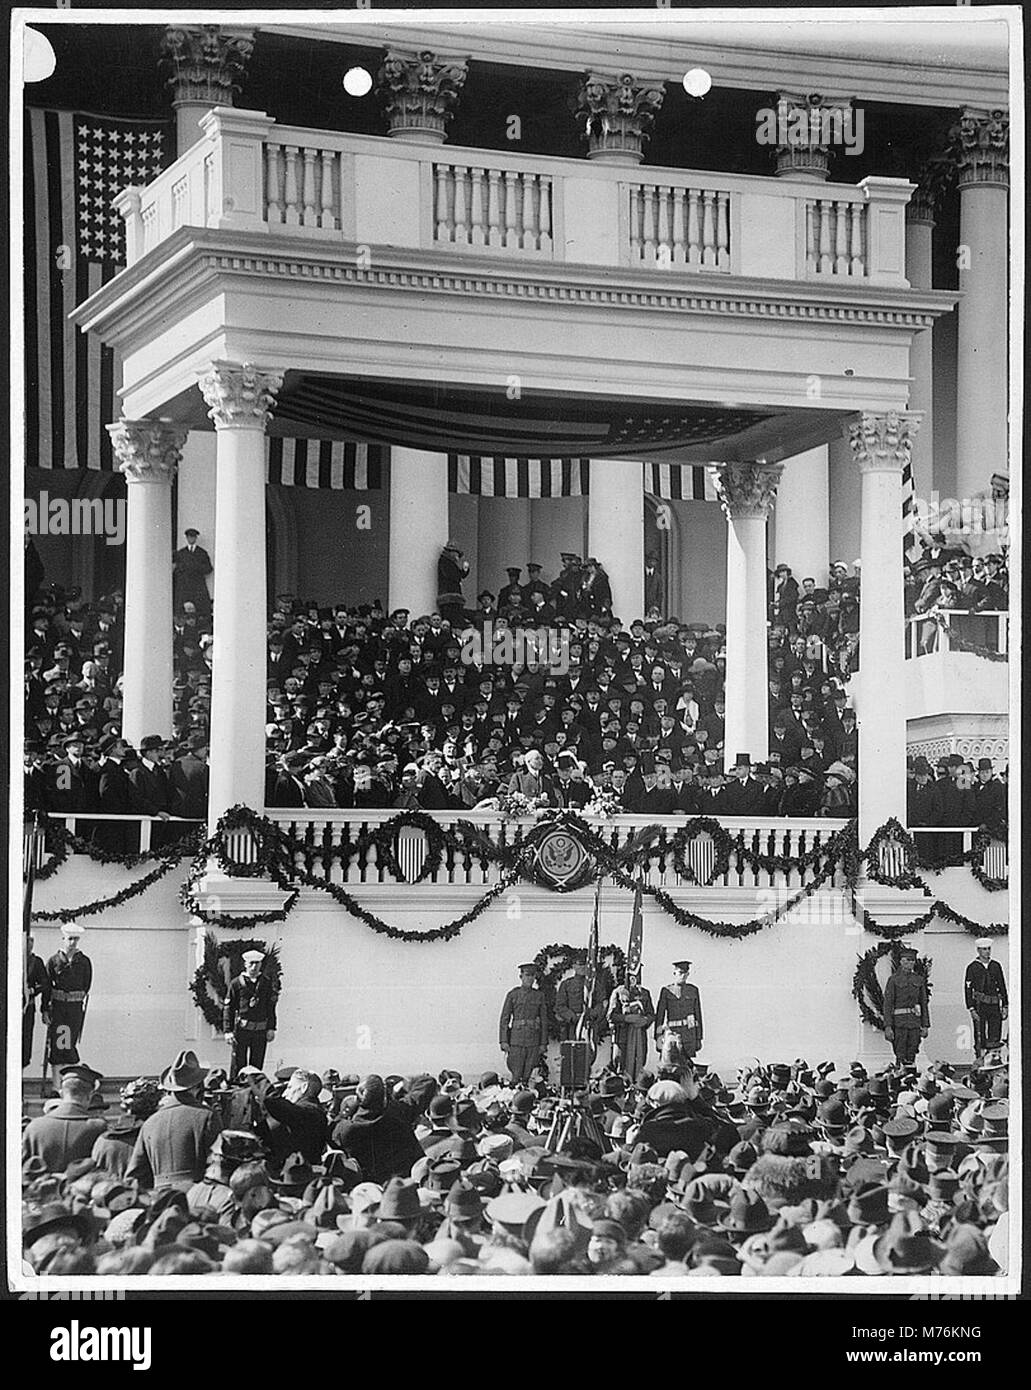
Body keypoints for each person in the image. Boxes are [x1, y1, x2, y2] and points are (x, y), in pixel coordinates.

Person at [126, 1049, 223, 1191]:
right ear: (197, 1086)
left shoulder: (150, 1122)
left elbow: (135, 1176)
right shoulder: (206, 1116)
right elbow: (218, 1165)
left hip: (161, 1198)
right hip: (197, 1195)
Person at [22, 1063, 108, 1172]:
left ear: (61, 1093)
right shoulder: (99, 1128)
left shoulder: (34, 1128)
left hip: (43, 1188)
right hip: (83, 1188)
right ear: (90, 1096)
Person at [44, 924, 93, 1095]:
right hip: (59, 1009)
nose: (73, 942)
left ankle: (69, 1085)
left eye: (76, 939)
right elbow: (46, 987)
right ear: (63, 939)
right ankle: (57, 1086)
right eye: (70, 939)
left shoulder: (84, 961)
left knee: (69, 1043)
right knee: (59, 1044)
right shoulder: (53, 961)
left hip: (74, 1009)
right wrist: (45, 1010)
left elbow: (86, 985)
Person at [223, 950, 279, 1080]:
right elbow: (228, 1008)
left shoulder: (266, 983)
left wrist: (271, 1028)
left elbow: (271, 1007)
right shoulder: (236, 983)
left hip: (260, 1031)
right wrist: (228, 1030)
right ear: (245, 964)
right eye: (251, 963)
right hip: (242, 1031)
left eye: (257, 963)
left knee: (257, 1067)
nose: (254, 967)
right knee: (238, 1065)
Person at [499, 963, 549, 1084]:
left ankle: (527, 1099)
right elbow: (504, 1019)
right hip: (516, 1039)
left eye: (532, 976)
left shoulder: (539, 996)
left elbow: (544, 1021)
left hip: (533, 1040)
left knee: (528, 1074)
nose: (530, 979)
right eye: (527, 975)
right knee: (515, 1074)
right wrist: (504, 1040)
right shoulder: (513, 994)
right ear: (521, 976)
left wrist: (543, 1043)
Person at [883, 948, 930, 1067]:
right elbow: (888, 1004)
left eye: (913, 960)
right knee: (900, 1053)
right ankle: (900, 1079)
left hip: (914, 1022)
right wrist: (888, 1026)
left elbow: (923, 1003)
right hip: (899, 1023)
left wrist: (925, 1025)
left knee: (912, 1051)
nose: (910, 963)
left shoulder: (918, 979)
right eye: (907, 960)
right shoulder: (894, 980)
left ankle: (911, 1078)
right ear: (901, 961)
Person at [964, 939, 1008, 1061]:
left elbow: (1002, 985)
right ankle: (980, 1061)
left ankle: (994, 1061)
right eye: (984, 949)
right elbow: (968, 989)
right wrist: (971, 1008)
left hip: (994, 1005)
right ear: (978, 950)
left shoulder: (996, 966)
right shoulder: (972, 967)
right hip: (980, 1005)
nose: (987, 952)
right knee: (980, 1035)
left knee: (995, 1034)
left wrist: (1005, 1005)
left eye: (988, 949)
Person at [654, 960, 703, 1067]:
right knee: (669, 1066)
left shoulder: (693, 990)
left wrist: (699, 1038)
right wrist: (658, 1038)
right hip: (672, 1036)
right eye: (680, 973)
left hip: (689, 1036)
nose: (683, 976)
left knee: (687, 1068)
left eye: (685, 974)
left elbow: (698, 1016)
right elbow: (659, 1018)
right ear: (674, 973)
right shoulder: (666, 991)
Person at [607, 976, 655, 1082]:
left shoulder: (644, 993)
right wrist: (626, 1018)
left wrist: (645, 1020)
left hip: (639, 1037)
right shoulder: (619, 992)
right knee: (621, 1067)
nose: (634, 978)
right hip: (623, 1038)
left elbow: (651, 1014)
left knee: (640, 1064)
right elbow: (610, 1016)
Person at [23, 933, 51, 1071]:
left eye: (31, 940)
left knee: (24, 1045)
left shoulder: (36, 962)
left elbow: (45, 984)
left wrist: (33, 990)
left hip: (27, 1008)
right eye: (27, 940)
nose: (30, 943)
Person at [173, 528, 213, 617]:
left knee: (201, 610)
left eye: (193, 537)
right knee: (183, 611)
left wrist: (197, 568)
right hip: (185, 587)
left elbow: (209, 568)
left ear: (196, 538)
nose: (191, 539)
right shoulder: (181, 553)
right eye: (189, 537)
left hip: (198, 586)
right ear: (186, 538)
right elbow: (177, 570)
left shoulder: (202, 553)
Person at [436, 541, 469, 629]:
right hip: (449, 594)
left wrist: (465, 570)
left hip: (453, 594)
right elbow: (452, 575)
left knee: (456, 614)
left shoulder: (451, 563)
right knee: (451, 615)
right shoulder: (444, 561)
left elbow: (459, 575)